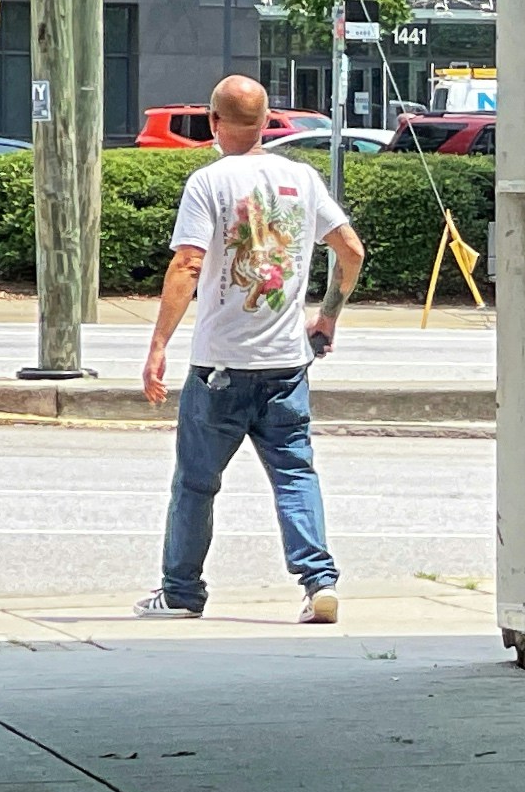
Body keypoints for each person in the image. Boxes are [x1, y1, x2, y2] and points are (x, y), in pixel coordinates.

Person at [137, 76, 365, 622]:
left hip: (220, 364)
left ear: (214, 122)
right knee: (294, 473)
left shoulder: (208, 182)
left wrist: (158, 345)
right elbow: (350, 250)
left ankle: (181, 591)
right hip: (287, 363)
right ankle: (319, 582)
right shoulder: (304, 179)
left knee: (196, 481)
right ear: (266, 124)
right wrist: (327, 316)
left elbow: (187, 265)